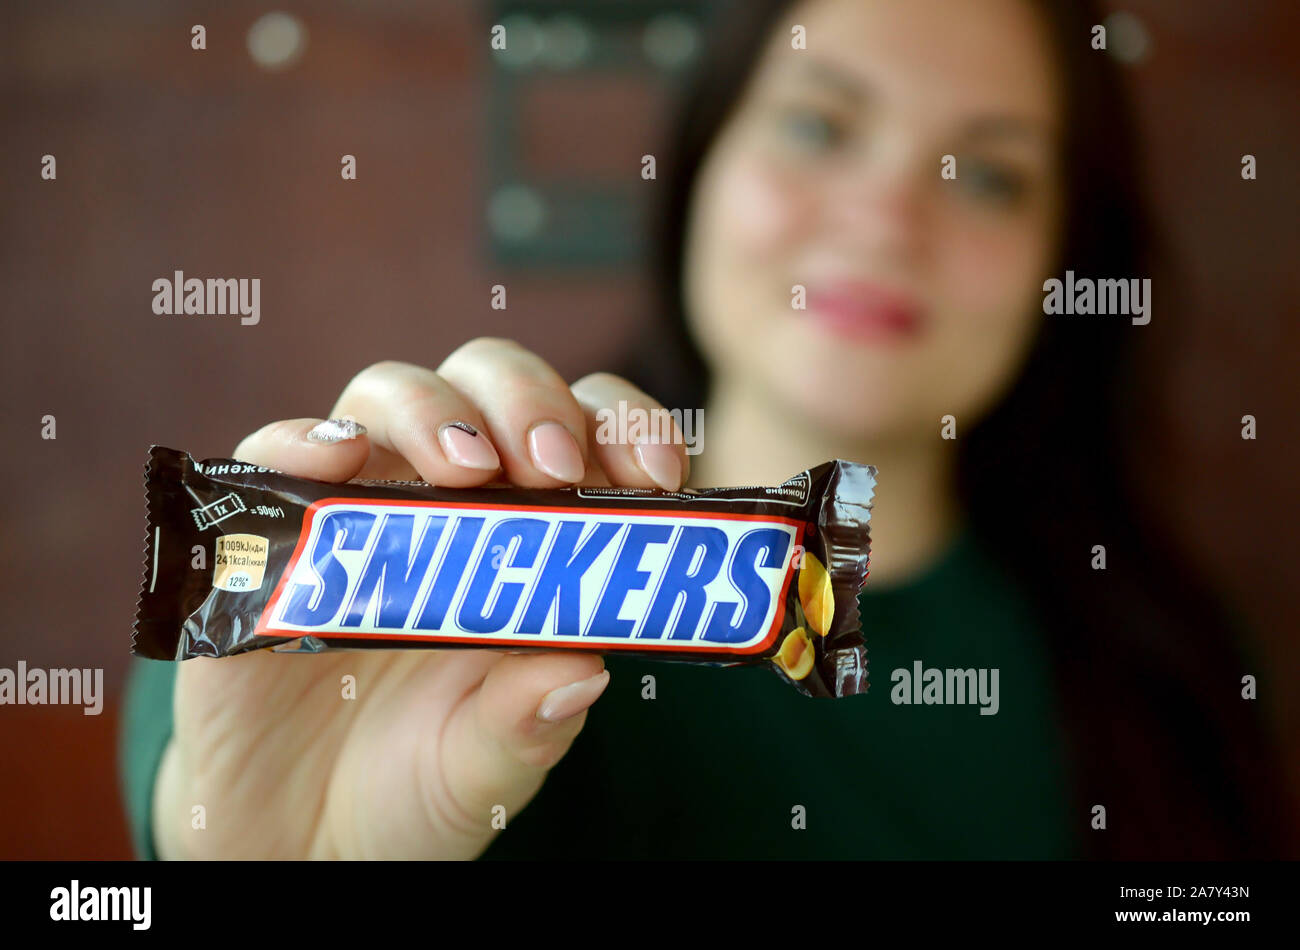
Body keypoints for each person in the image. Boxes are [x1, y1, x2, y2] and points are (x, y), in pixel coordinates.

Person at [120, 0, 1294, 859]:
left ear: (1064, 266)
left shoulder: (1180, 677)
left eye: (987, 177)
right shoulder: (474, 598)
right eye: (820, 124)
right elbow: (219, 780)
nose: (887, 213)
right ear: (698, 172)